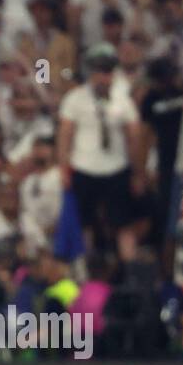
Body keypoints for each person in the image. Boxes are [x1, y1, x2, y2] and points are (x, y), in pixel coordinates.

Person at [56, 42, 146, 261]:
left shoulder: (123, 101)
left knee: (123, 225)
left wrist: (137, 172)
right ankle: (86, 272)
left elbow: (134, 137)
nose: (103, 76)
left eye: (107, 70)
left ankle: (131, 274)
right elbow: (65, 136)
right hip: (84, 168)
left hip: (117, 168)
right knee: (85, 224)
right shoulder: (75, 99)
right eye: (99, 70)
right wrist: (63, 168)